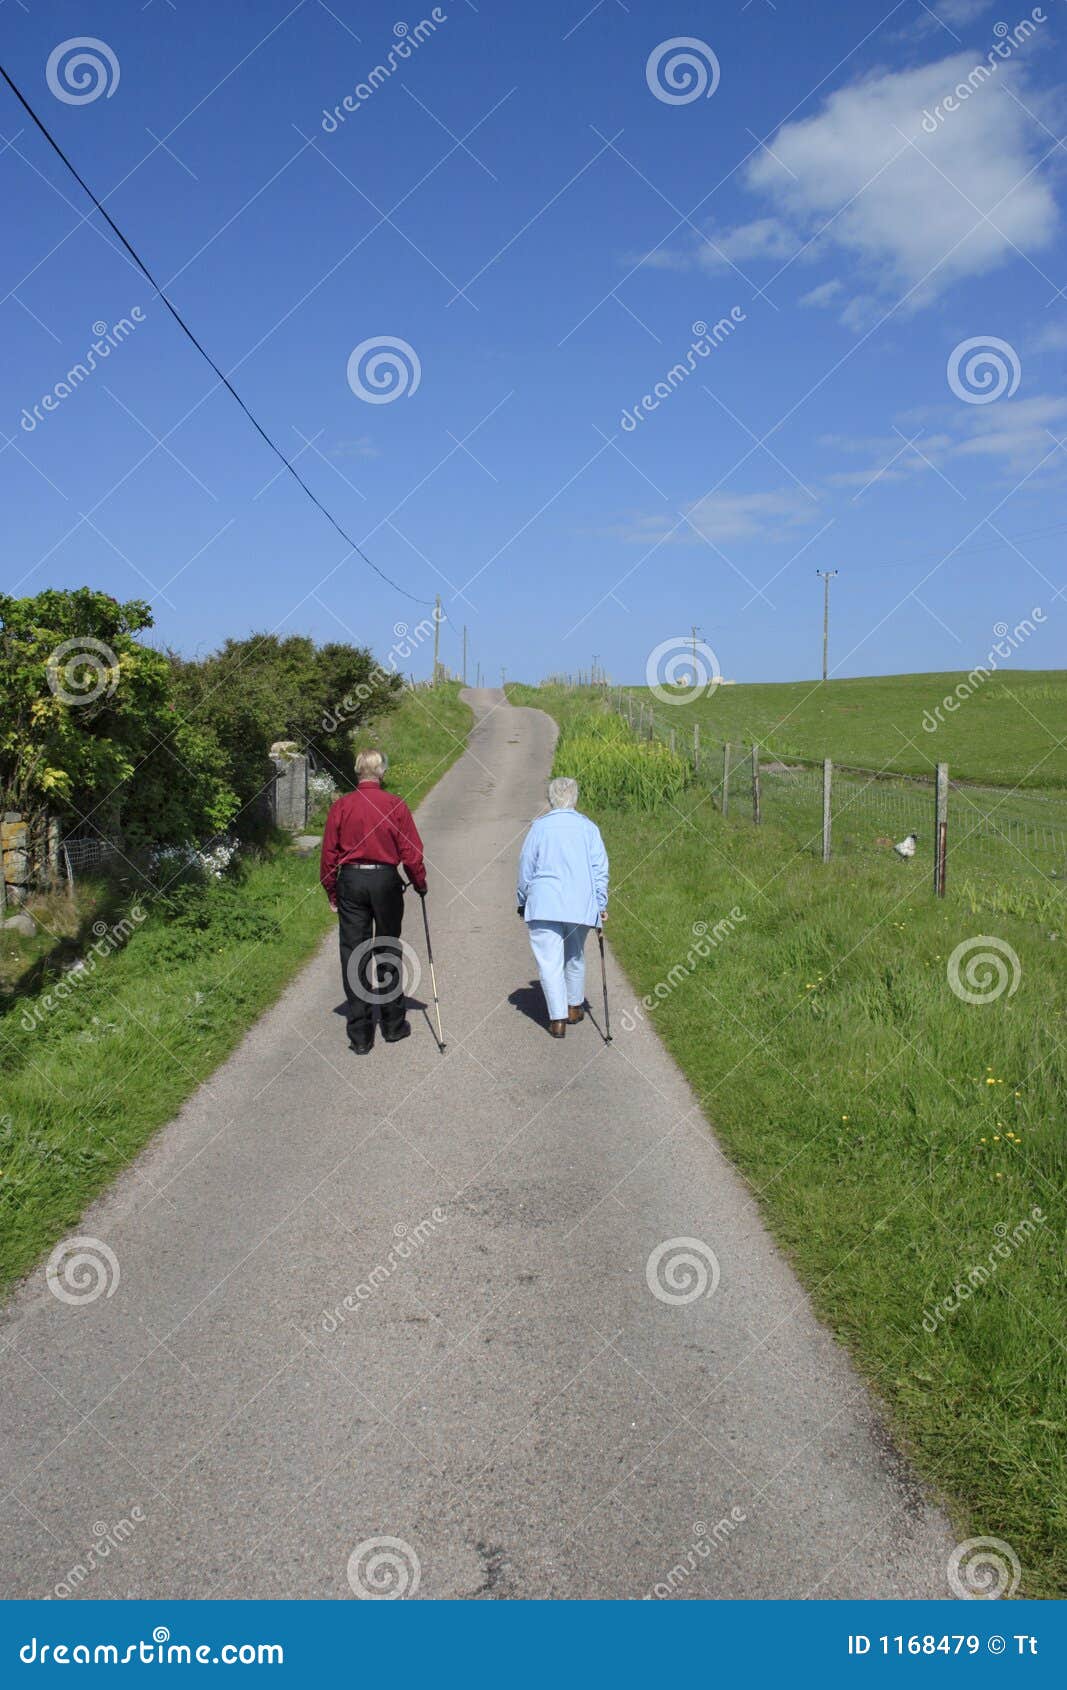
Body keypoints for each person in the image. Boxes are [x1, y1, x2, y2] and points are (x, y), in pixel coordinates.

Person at [320, 749, 427, 1054]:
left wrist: (332, 891)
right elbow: (411, 852)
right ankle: (393, 1024)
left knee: (354, 952)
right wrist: (419, 883)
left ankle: (360, 1034)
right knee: (388, 946)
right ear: (381, 772)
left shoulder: (342, 806)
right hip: (385, 880)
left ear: (357, 772)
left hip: (351, 881)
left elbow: (329, 855)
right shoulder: (395, 805)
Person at [516, 776, 609, 1039]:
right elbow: (600, 870)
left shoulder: (539, 828)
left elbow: (526, 867)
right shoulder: (588, 828)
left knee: (549, 962)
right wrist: (601, 903)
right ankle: (574, 1005)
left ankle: (557, 1019)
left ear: (550, 799)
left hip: (544, 903)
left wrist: (522, 899)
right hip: (579, 904)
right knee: (575, 954)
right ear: (575, 798)